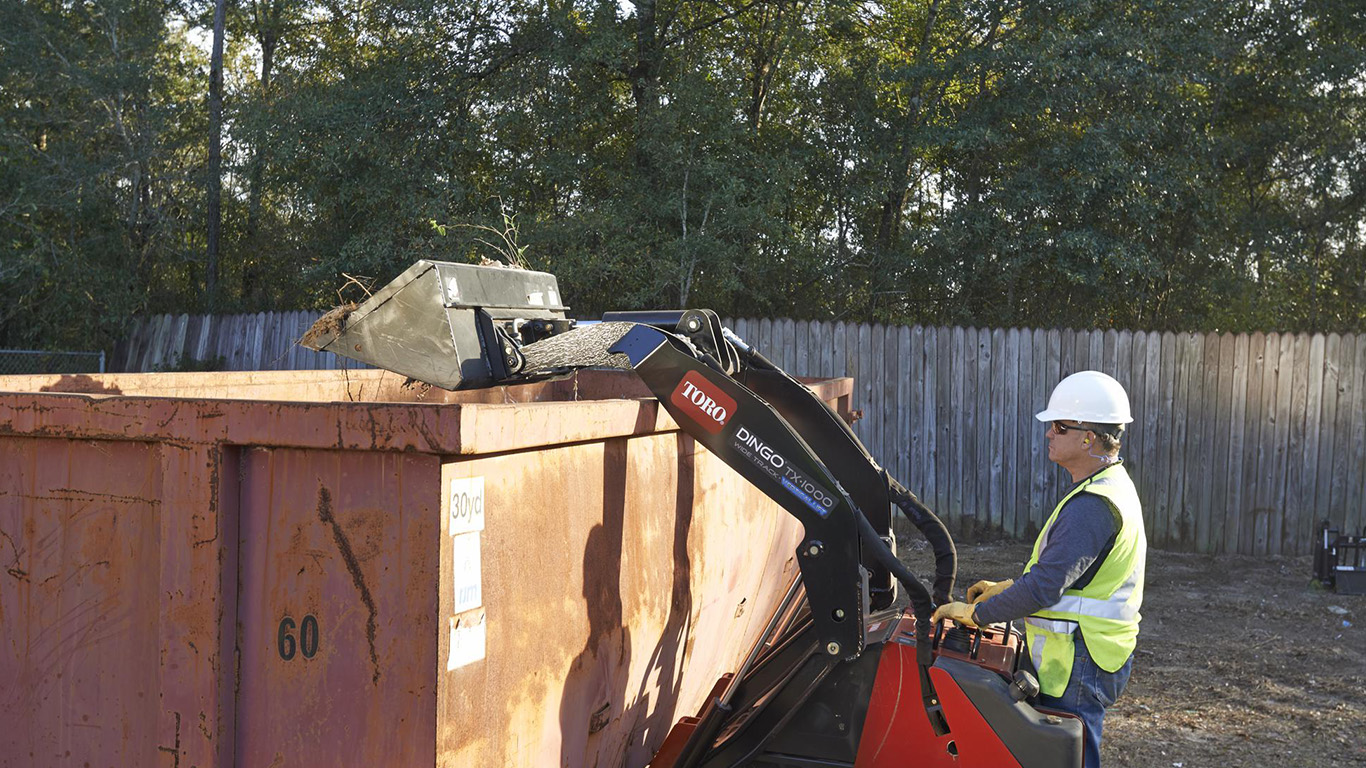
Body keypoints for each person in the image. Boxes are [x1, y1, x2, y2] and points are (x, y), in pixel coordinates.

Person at [932, 370, 1146, 768]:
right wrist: (1008, 587)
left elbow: (1047, 587)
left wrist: (976, 614)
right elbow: (1074, 572)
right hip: (1087, 653)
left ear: (1089, 437)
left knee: (1068, 754)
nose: (1049, 433)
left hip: (1082, 658)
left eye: (1059, 425)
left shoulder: (1092, 506)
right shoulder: (1105, 486)